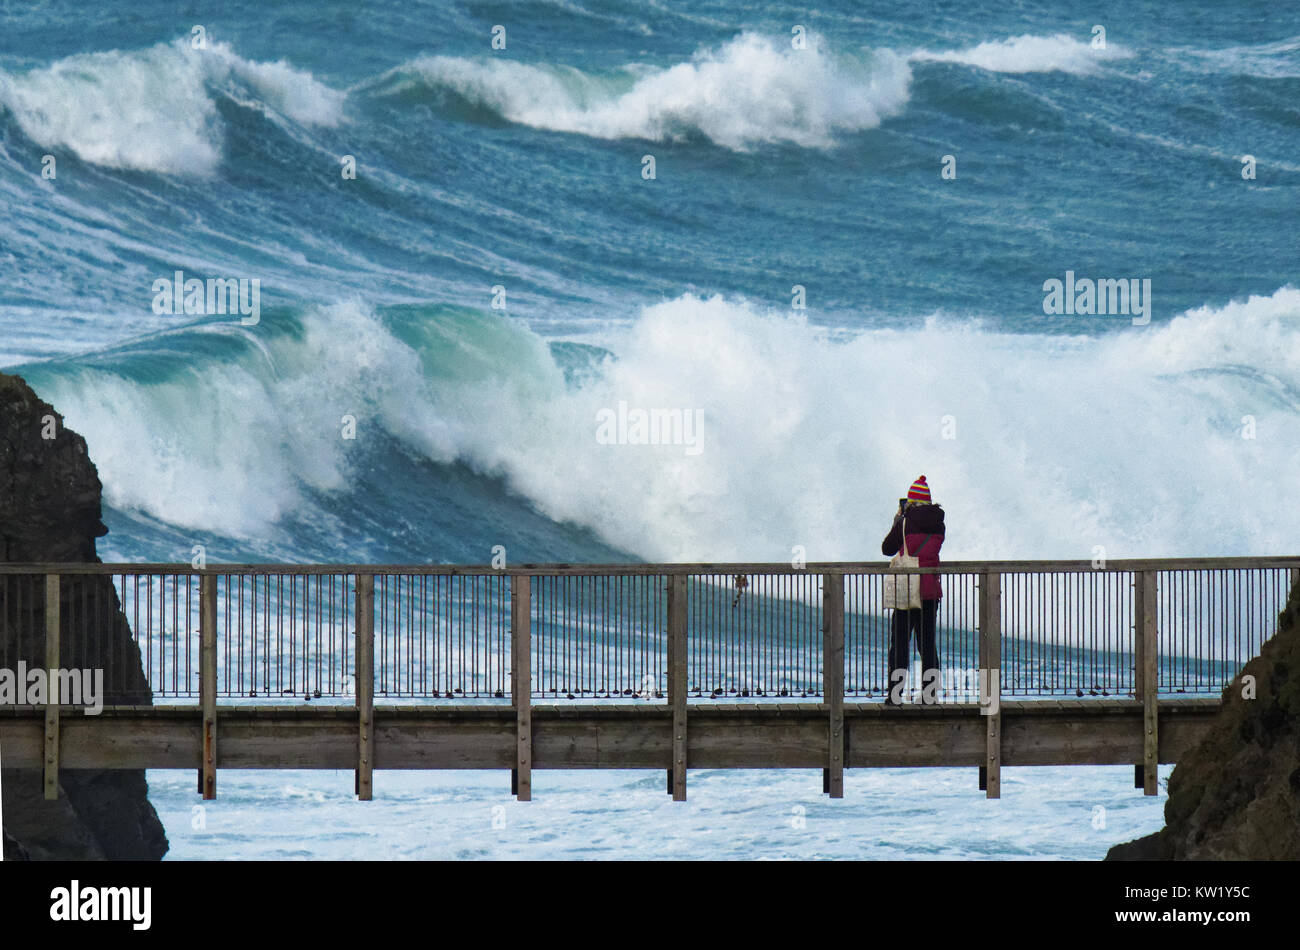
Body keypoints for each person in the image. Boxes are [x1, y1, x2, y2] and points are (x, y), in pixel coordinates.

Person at [881, 476, 945, 704]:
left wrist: (897, 520)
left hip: (908, 589)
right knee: (927, 644)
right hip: (930, 591)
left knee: (899, 644)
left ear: (910, 502)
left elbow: (887, 549)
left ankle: (895, 695)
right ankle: (930, 695)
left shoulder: (905, 522)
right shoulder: (939, 523)